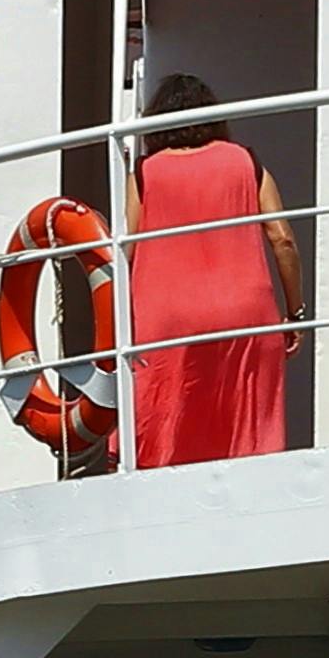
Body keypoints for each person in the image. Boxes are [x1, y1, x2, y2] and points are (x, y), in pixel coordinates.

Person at [122, 74, 306, 468]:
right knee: (247, 431)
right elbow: (282, 239)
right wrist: (295, 313)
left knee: (165, 422)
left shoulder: (144, 173)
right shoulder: (247, 162)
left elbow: (127, 251)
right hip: (245, 313)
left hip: (165, 319)